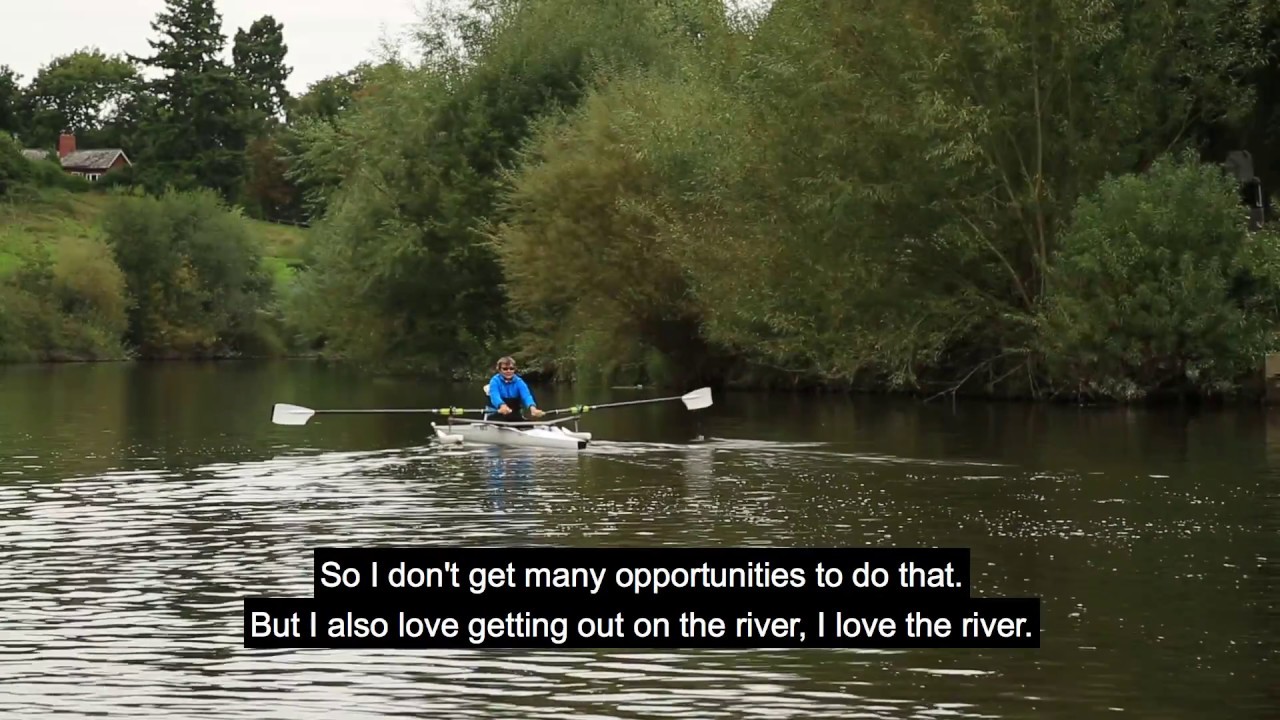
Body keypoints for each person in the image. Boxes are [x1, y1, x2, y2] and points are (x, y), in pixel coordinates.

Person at [485, 356, 545, 422]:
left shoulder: (519, 382)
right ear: (499, 370)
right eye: (505, 369)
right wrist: (502, 405)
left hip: (514, 414)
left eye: (511, 368)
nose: (509, 371)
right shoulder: (495, 381)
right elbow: (494, 396)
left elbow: (526, 396)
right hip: (496, 413)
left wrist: (533, 408)